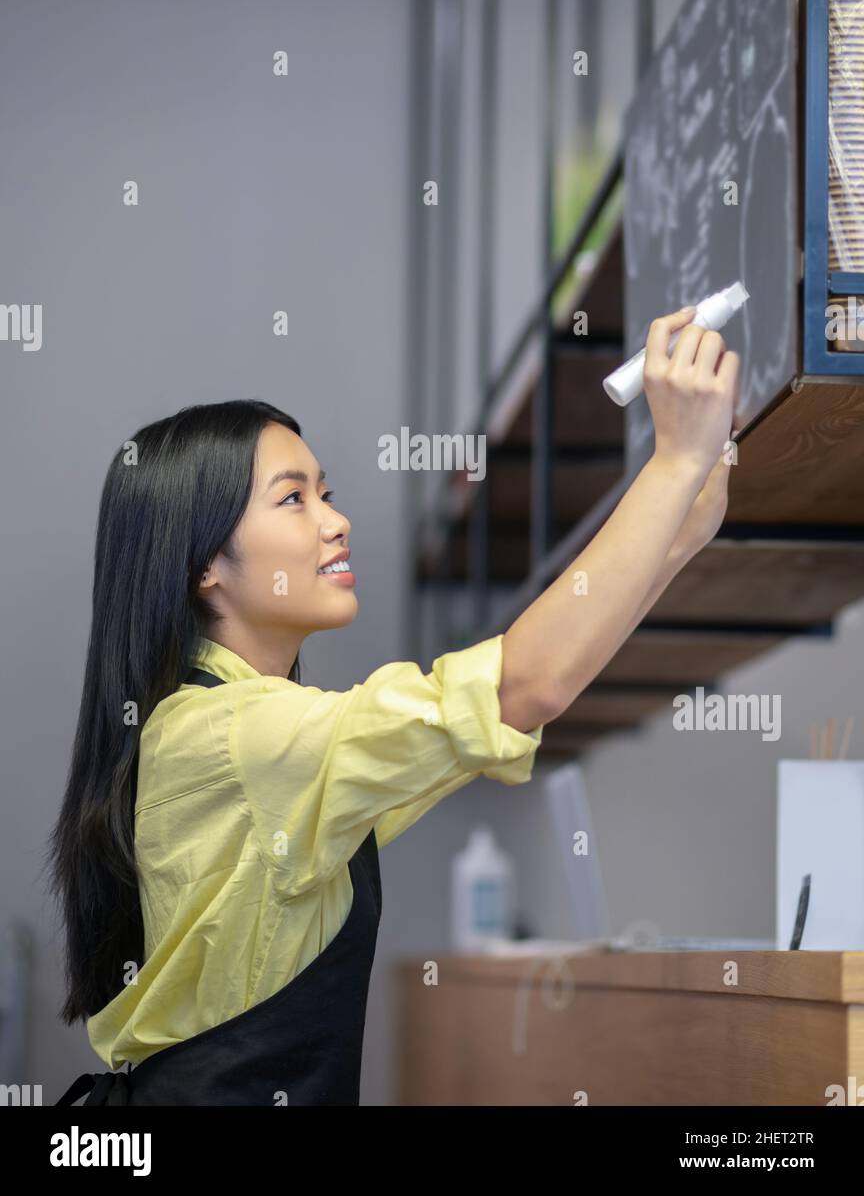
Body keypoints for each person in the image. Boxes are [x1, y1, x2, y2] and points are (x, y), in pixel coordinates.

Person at [48, 306, 738, 1106]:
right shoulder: (238, 740)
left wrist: (680, 526)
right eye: (293, 499)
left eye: (326, 493)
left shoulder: (249, 736)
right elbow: (522, 686)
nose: (337, 521)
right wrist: (672, 463)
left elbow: (495, 716)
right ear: (207, 563)